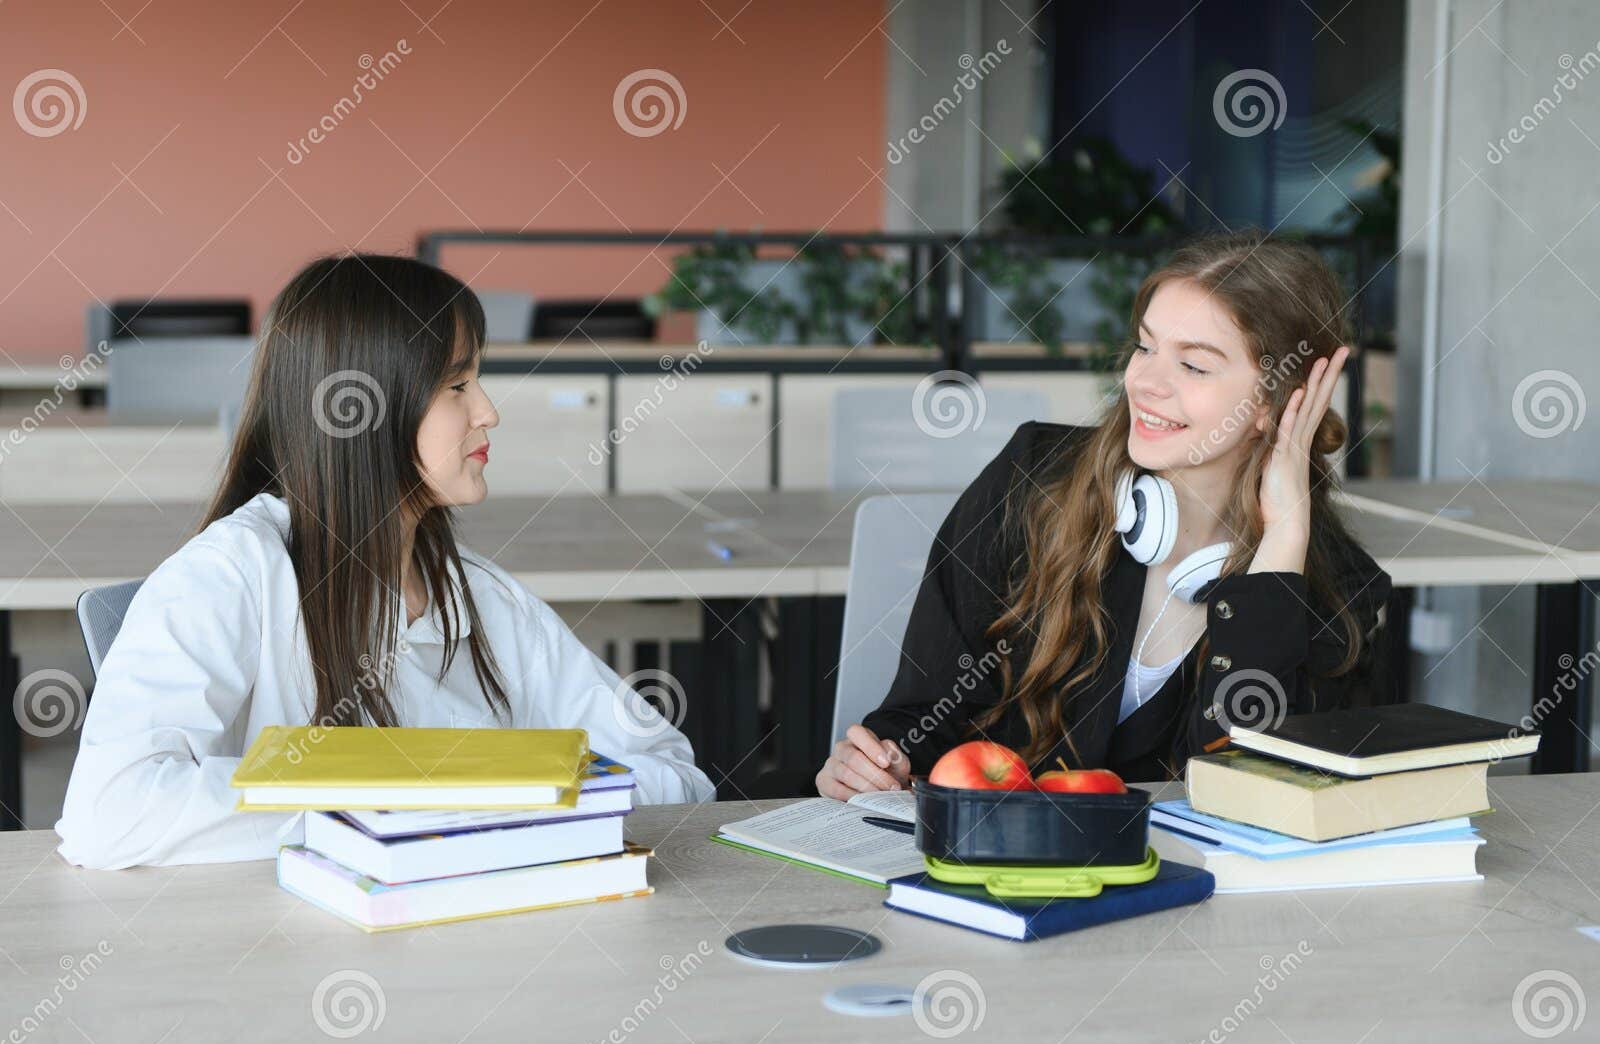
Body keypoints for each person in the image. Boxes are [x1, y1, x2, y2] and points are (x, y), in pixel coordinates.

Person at [57, 255, 713, 869]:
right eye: (457, 384)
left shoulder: (477, 593)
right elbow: (106, 809)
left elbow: (674, 770)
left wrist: (526, 791)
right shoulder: (232, 574)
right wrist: (402, 800)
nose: (489, 411)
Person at [819, 230, 1393, 799]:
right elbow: (925, 713)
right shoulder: (1032, 480)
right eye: (1146, 347)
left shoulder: (1338, 592)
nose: (1144, 381)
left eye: (1193, 366)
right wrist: (877, 763)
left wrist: (1281, 550)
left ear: (1273, 404)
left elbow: (1252, 795)